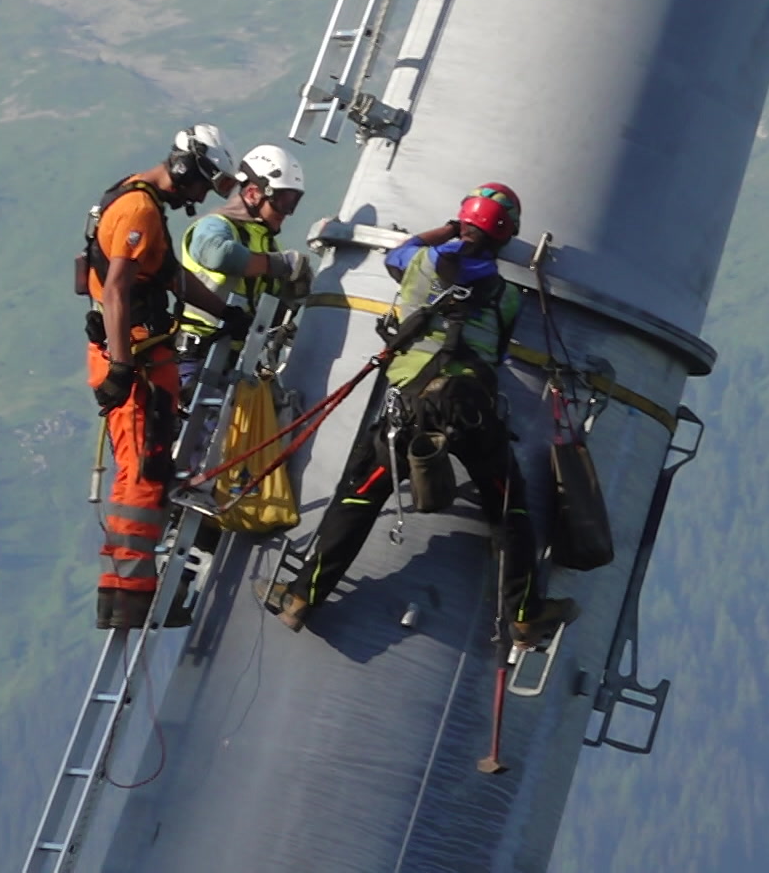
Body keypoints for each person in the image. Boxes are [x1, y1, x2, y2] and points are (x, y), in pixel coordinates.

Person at [258, 183, 577, 648]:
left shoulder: (420, 264)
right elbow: (500, 353)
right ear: (504, 239)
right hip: (470, 408)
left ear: (461, 222)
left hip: (408, 405)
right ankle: (524, 615)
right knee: (510, 506)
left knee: (360, 497)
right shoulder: (507, 297)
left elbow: (401, 251)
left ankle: (302, 595)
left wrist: (448, 229)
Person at [83, 123, 248, 630]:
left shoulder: (142, 200)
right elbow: (116, 290)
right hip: (133, 359)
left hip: (146, 356)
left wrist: (223, 311)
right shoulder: (137, 209)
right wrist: (121, 364)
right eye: (203, 183)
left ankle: (129, 593)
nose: (201, 196)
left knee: (150, 466)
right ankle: (130, 598)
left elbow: (169, 276)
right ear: (185, 169)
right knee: (140, 474)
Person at [174, 143, 313, 391]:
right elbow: (218, 254)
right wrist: (277, 264)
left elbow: (269, 310)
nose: (287, 212)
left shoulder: (267, 242)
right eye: (281, 200)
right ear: (252, 193)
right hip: (195, 360)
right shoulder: (216, 226)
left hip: (234, 365)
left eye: (293, 202)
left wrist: (294, 293)